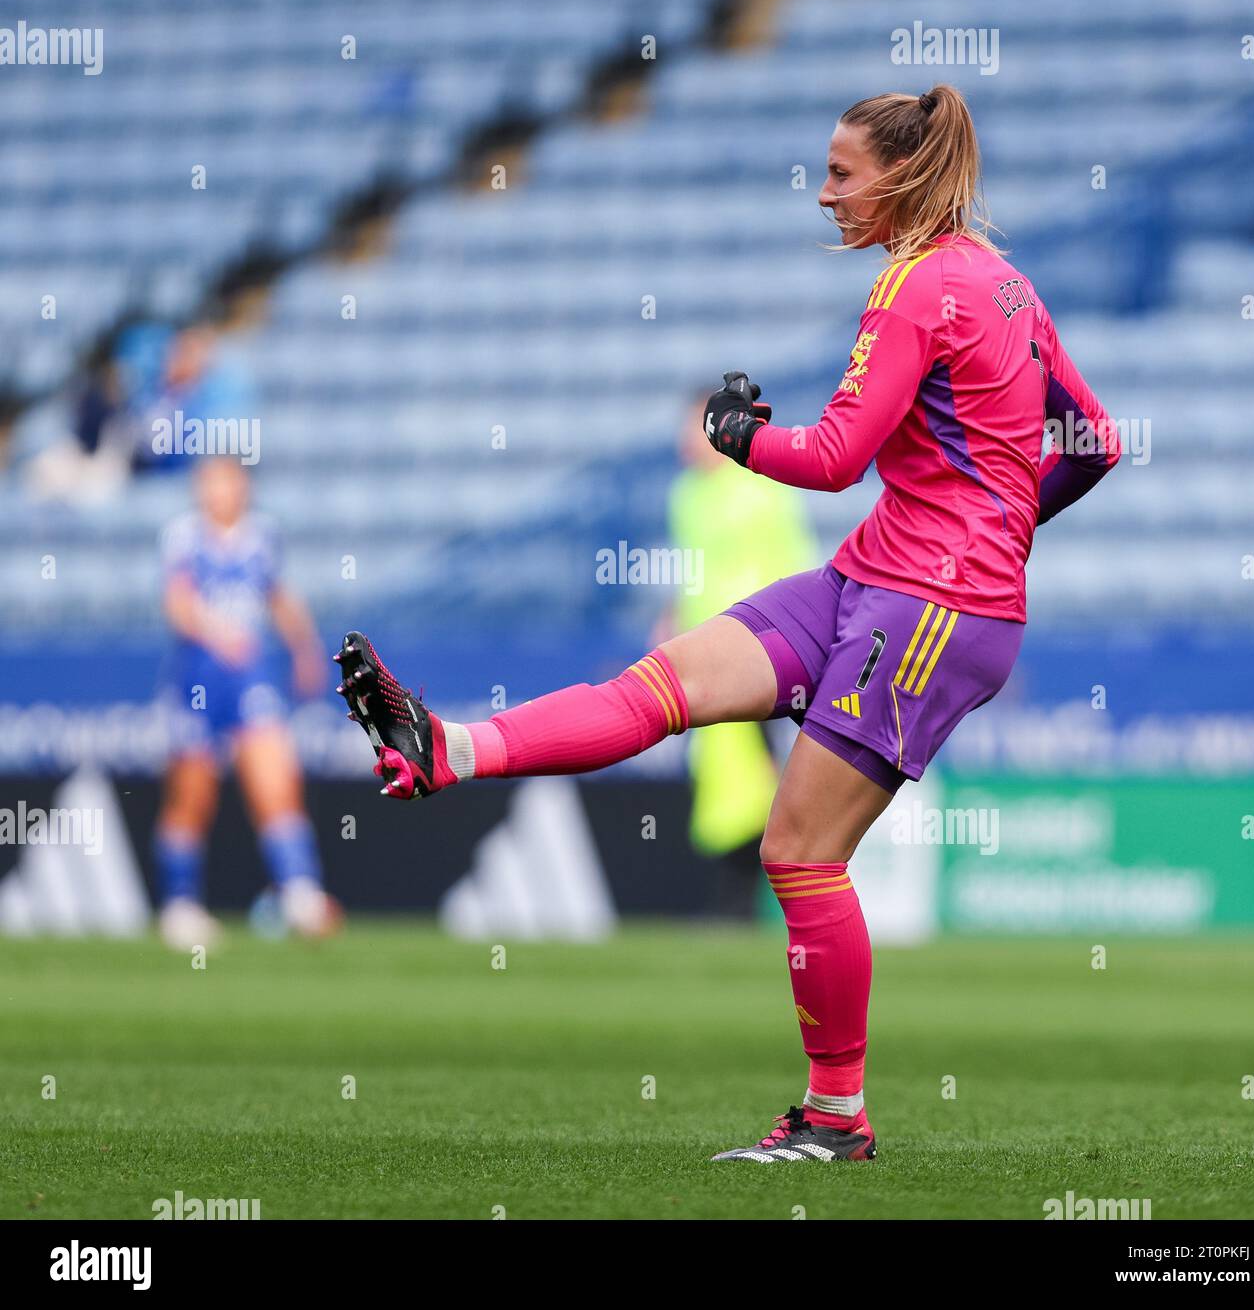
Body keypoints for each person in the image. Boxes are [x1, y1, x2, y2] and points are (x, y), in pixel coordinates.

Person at [336, 84, 1121, 1162]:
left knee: (798, 852)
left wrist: (740, 435)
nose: (824, 193)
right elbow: (1096, 439)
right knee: (664, 683)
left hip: (932, 603)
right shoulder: (1007, 283)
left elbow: (837, 456)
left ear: (897, 177)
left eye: (841, 173)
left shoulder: (916, 286)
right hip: (877, 574)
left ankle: (835, 1116)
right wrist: (1005, 521)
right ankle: (447, 746)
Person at [154, 456, 339, 949]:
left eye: (224, 481)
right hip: (197, 681)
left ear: (243, 486)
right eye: (207, 483)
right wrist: (221, 633)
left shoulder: (263, 535)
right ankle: (180, 906)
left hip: (250, 679)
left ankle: (301, 894)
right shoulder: (183, 536)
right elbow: (178, 606)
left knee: (275, 780)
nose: (215, 492)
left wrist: (304, 647)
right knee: (191, 796)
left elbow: (277, 595)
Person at [662, 394, 818, 920]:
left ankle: (748, 903)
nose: (686, 438)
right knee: (724, 775)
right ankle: (734, 902)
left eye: (693, 426)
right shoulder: (686, 496)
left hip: (761, 648)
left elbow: (791, 559)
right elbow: (694, 573)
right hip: (702, 649)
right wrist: (674, 616)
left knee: (761, 770)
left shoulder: (760, 483)